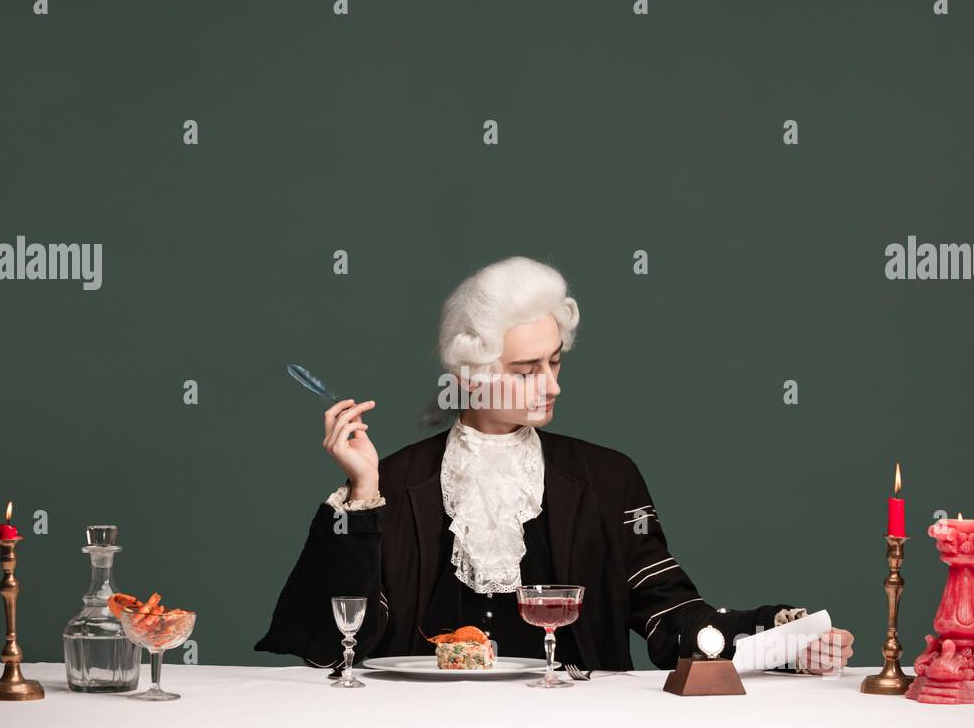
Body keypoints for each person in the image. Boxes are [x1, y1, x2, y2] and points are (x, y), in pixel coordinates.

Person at [254, 256, 854, 672]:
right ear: (474, 374)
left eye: (556, 363)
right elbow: (336, 644)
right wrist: (362, 492)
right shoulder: (399, 480)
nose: (551, 385)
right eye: (526, 370)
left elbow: (668, 612)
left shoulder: (607, 477)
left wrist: (781, 638)